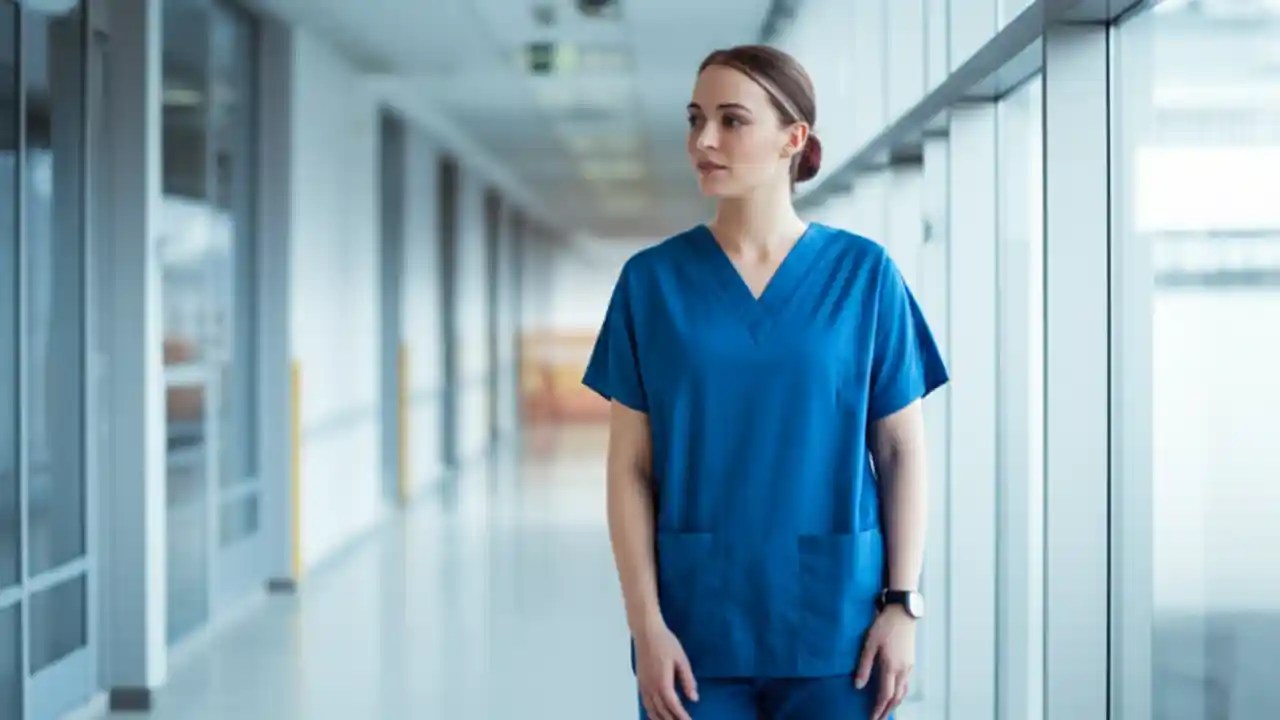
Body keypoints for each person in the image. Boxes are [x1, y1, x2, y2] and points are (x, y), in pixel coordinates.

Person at [582, 44, 948, 720]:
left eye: (731, 120)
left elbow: (901, 452)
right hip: (693, 633)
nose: (704, 140)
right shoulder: (650, 283)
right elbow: (629, 468)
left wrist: (903, 604)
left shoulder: (865, 276)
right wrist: (645, 625)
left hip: (841, 632)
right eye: (695, 119)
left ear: (793, 138)